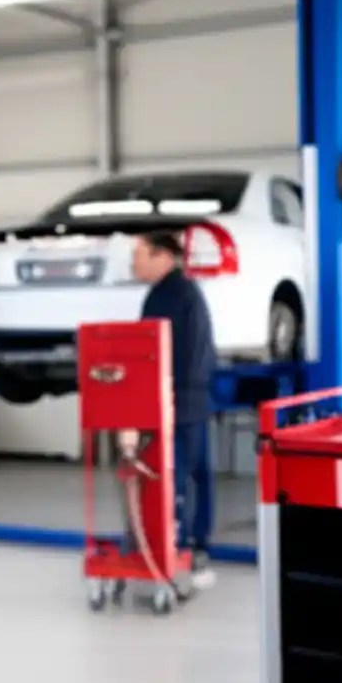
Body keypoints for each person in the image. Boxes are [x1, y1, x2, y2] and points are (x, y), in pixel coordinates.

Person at [131, 231, 217, 587]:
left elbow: (161, 354)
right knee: (197, 473)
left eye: (139, 255)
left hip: (177, 403)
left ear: (162, 256)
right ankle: (194, 543)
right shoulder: (177, 292)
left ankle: (177, 546)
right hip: (188, 401)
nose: (133, 263)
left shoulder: (171, 295)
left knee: (176, 475)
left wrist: (159, 402)